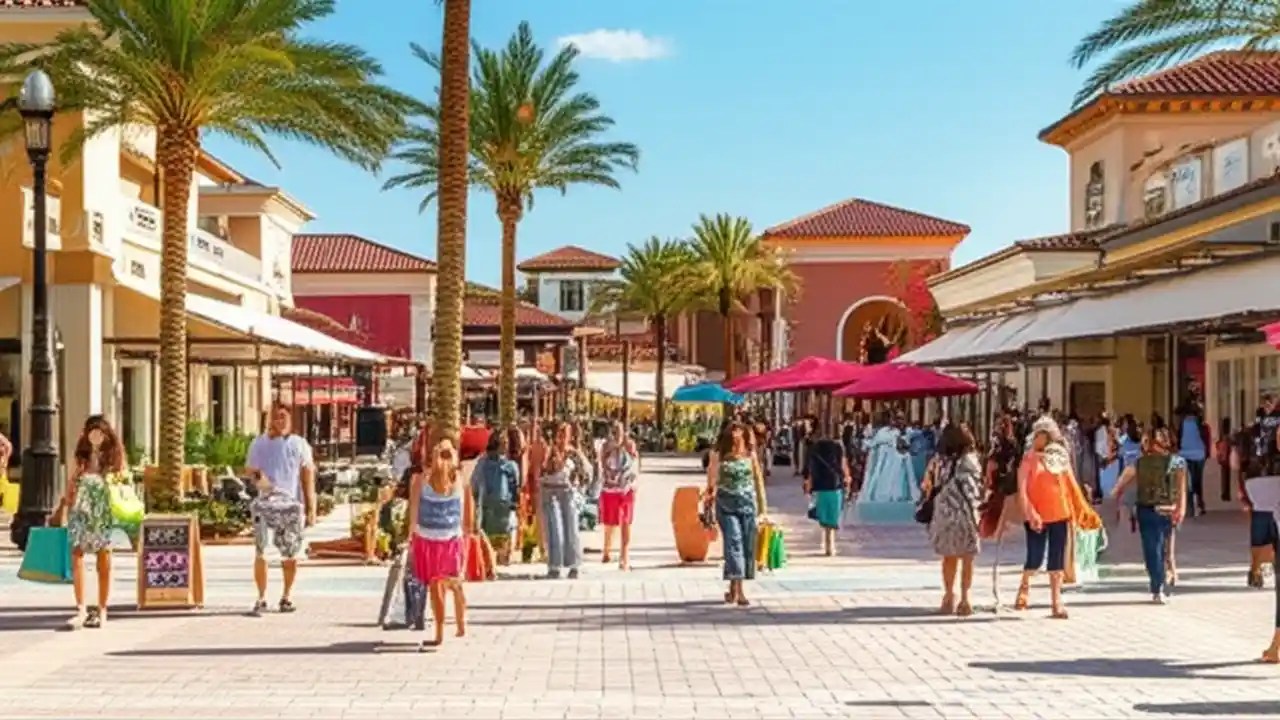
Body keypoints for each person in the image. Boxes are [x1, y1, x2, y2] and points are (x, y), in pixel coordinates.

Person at [1015, 416, 1098, 619]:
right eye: (1035, 434)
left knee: (1057, 560)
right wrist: (1030, 511)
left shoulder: (1060, 458)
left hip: (1060, 513)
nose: (1036, 438)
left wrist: (1082, 509)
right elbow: (1022, 489)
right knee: (1034, 557)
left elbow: (1070, 485)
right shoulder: (1029, 458)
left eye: (1040, 434)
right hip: (1036, 516)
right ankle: (1025, 586)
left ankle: (1056, 602)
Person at [245, 403, 316, 615]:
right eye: (275, 417)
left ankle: (286, 596)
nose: (279, 421)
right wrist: (262, 482)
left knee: (291, 554)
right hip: (265, 505)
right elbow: (251, 470)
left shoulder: (299, 444)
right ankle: (261, 596)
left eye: (283, 416)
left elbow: (307, 476)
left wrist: (311, 507)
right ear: (269, 420)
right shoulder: (259, 444)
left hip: (291, 506)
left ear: (290, 419)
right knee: (262, 552)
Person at [58, 415, 124, 629]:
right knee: (77, 554)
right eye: (91, 432)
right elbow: (72, 482)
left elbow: (122, 480)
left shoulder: (114, 457)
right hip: (81, 511)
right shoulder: (81, 457)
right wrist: (65, 505)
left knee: (104, 558)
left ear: (106, 435)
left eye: (99, 432)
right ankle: (81, 608)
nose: (95, 436)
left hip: (103, 512)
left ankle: (102, 608)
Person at [1110, 427, 1187, 604]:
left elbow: (1181, 488)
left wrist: (1181, 509)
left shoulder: (1176, 463)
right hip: (1149, 509)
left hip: (1163, 510)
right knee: (1154, 549)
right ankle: (1157, 585)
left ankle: (1161, 580)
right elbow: (1120, 484)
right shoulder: (1142, 463)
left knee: (1161, 549)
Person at [408, 437, 469, 648]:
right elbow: (465, 512)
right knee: (455, 584)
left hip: (427, 539)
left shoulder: (421, 480)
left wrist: (410, 538)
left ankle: (440, 633)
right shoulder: (460, 479)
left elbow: (413, 511)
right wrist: (467, 536)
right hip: (452, 538)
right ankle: (461, 625)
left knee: (436, 585)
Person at [705, 421, 767, 607]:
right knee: (734, 542)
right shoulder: (718, 456)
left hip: (748, 505)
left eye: (740, 437)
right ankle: (739, 592)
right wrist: (709, 499)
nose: (736, 442)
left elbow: (758, 481)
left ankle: (733, 588)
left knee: (746, 545)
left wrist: (763, 509)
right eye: (733, 438)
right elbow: (711, 481)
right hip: (726, 505)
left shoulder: (750, 456)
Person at [924, 423, 983, 616]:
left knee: (949, 558)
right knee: (967, 557)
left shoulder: (940, 461)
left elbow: (927, 484)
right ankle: (966, 598)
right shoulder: (972, 461)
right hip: (966, 513)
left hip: (945, 513)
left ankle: (949, 596)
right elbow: (975, 490)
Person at [539, 421, 586, 579]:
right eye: (559, 433)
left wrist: (578, 485)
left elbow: (586, 472)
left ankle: (574, 565)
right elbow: (542, 470)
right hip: (551, 493)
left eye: (565, 434)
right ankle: (554, 565)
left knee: (571, 529)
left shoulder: (573, 453)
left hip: (568, 493)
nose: (562, 437)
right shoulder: (549, 452)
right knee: (555, 529)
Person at [855, 411, 919, 523]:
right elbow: (875, 444)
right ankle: (884, 496)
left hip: (895, 460)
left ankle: (895, 495)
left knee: (895, 478)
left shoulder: (899, 432)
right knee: (884, 478)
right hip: (884, 461)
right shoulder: (883, 432)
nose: (896, 421)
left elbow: (903, 445)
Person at [472, 429, 519, 566]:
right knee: (497, 529)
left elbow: (515, 485)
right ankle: (495, 557)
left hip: (500, 504)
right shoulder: (485, 463)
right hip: (491, 504)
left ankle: (501, 556)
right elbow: (476, 482)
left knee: (504, 529)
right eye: (503, 443)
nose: (506, 446)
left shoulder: (508, 466)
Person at [802, 424, 850, 556]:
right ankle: (831, 544)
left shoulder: (814, 448)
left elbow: (810, 469)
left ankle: (827, 542)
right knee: (833, 514)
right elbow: (843, 464)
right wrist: (847, 477)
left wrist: (808, 484)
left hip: (820, 484)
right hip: (835, 483)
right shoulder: (838, 447)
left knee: (824, 514)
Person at [599, 421, 639, 569]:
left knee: (625, 521)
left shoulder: (629, 445)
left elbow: (635, 463)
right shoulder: (606, 447)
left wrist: (635, 484)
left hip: (626, 489)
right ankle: (607, 549)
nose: (616, 435)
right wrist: (611, 450)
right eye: (614, 432)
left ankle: (624, 555)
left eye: (619, 431)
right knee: (610, 522)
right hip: (610, 489)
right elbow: (602, 464)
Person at [1176, 399, 1210, 517]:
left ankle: (1190, 506)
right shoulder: (1199, 422)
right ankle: (1200, 504)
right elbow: (1204, 437)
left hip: (1185, 453)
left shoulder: (1182, 422)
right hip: (1199, 452)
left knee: (1188, 481)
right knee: (1198, 480)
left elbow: (1179, 437)